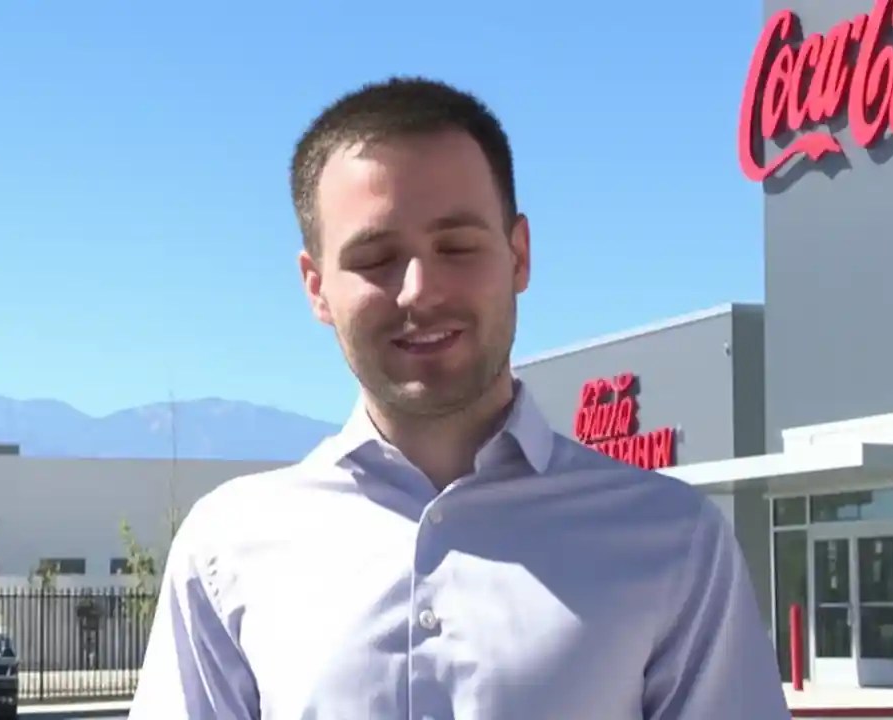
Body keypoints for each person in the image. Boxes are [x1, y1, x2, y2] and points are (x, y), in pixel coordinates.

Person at [131, 76, 791, 719]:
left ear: (519, 256)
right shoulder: (227, 551)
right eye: (375, 257)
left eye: (456, 246)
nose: (419, 290)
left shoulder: (674, 544)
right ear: (316, 287)